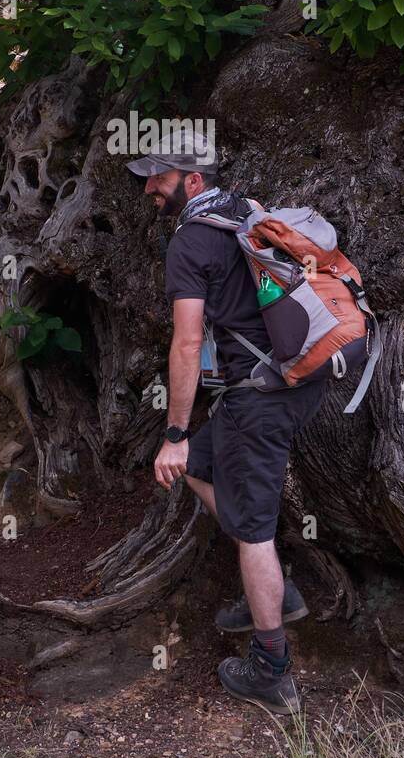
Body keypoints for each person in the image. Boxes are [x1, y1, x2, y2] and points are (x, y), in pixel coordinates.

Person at [127, 128, 367, 715]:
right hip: (290, 384)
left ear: (193, 180)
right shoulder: (243, 212)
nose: (150, 188)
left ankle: (271, 669)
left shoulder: (189, 243)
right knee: (201, 469)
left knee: (252, 529)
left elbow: (186, 344)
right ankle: (277, 596)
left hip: (259, 396)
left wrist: (175, 435)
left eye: (159, 177)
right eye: (149, 177)